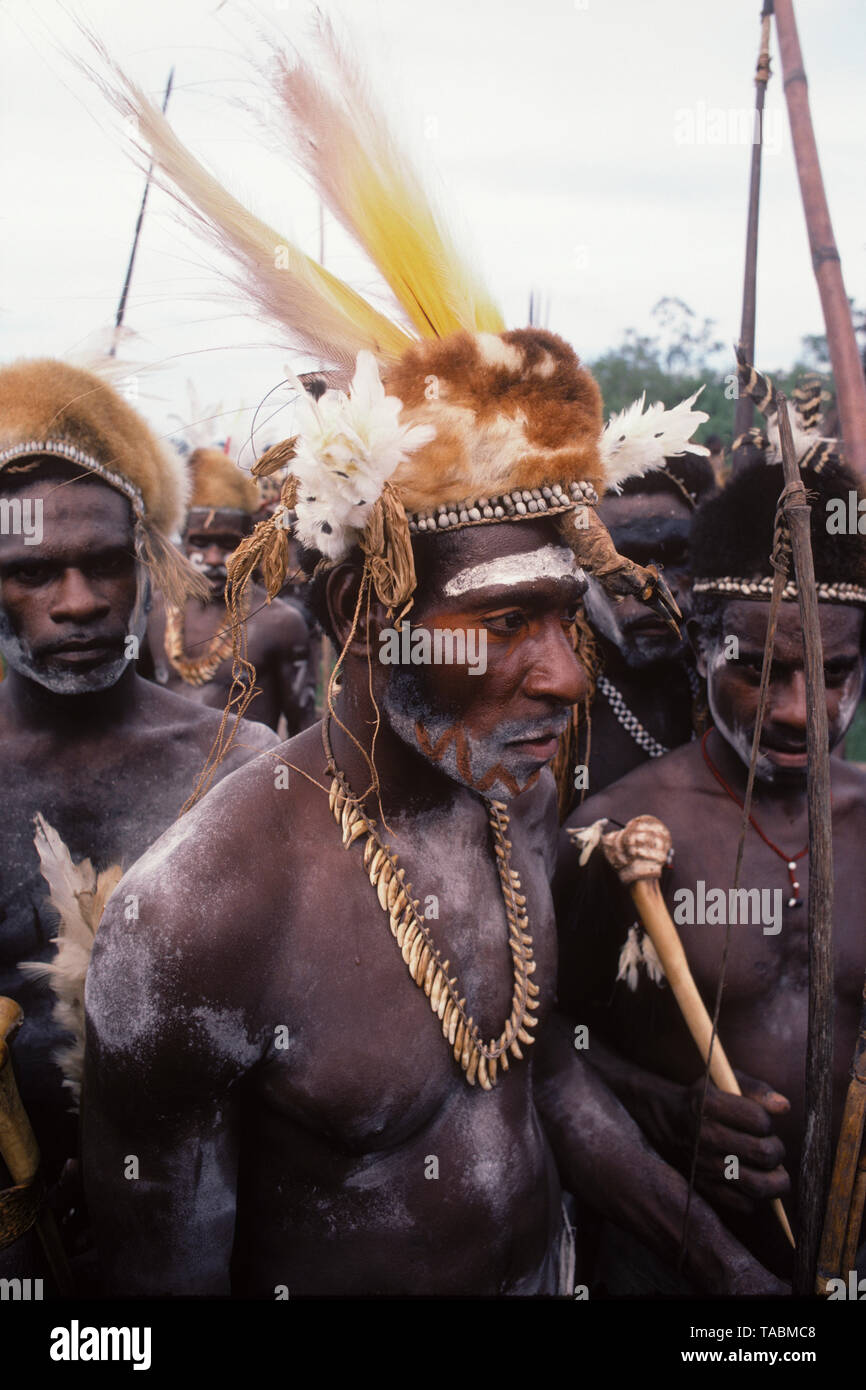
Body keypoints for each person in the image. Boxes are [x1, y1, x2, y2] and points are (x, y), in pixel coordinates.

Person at [82, 33, 780, 1297]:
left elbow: (530, 1073)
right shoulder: (196, 920)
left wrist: (710, 1257)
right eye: (505, 621)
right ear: (366, 606)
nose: (566, 678)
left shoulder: (503, 796)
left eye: (566, 618)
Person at [556, 453, 866, 1283]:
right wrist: (658, 1109)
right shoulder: (617, 836)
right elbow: (540, 1049)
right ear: (702, 654)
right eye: (760, 672)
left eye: (834, 675)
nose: (801, 712)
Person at [0, 360, 278, 1279]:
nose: (75, 603)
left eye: (105, 564)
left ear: (149, 563)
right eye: (31, 572)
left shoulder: (242, 767)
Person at [144, 446, 315, 732]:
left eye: (227, 544)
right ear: (183, 541)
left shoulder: (279, 623)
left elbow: (305, 728)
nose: (213, 559)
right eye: (200, 543)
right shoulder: (153, 615)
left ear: (248, 543)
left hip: (246, 774)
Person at [578, 452, 716, 796]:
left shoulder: (733, 685)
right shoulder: (557, 712)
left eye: (679, 558)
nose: (657, 590)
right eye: (625, 564)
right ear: (578, 566)